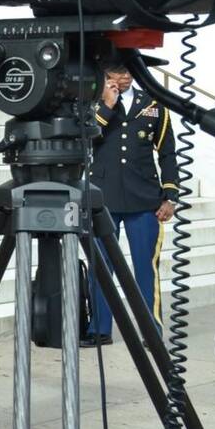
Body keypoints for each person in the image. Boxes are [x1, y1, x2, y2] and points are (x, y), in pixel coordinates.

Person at [85, 62, 178, 346]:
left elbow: (167, 152)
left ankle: (151, 331)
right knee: (101, 267)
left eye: (127, 71)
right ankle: (99, 329)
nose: (124, 77)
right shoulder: (90, 101)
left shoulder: (153, 104)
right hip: (104, 199)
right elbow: (86, 139)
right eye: (117, 71)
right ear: (105, 73)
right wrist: (107, 105)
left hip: (144, 199)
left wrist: (170, 195)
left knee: (145, 268)